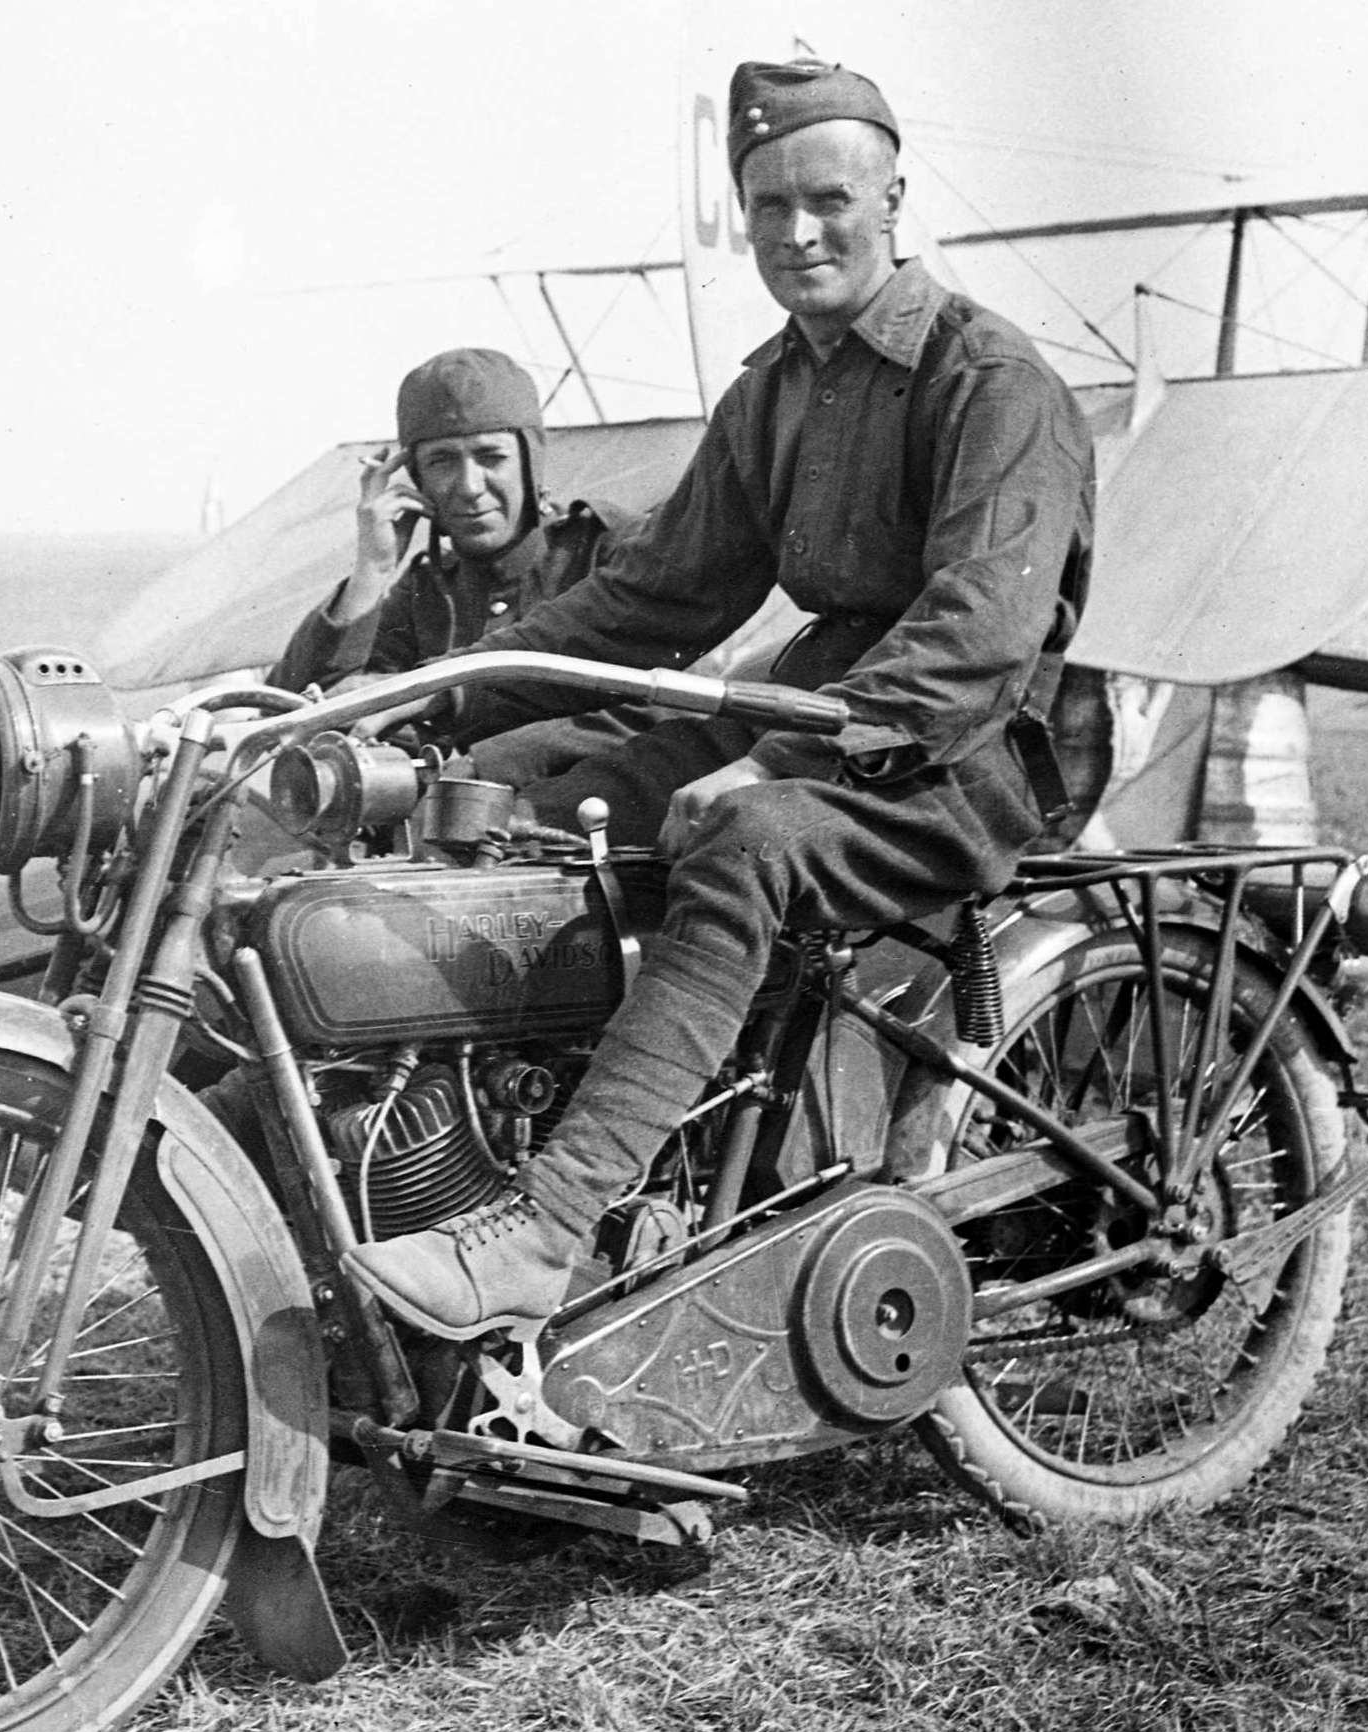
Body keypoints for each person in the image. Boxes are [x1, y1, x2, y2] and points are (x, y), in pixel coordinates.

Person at [345, 58, 1096, 1339]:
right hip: (807, 713)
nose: (797, 233)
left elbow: (977, 631)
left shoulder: (990, 380)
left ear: (894, 197)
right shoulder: (774, 388)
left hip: (964, 755)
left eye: (829, 200)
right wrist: (431, 698)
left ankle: (546, 1226)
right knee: (525, 788)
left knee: (745, 845)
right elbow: (654, 594)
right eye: (766, 207)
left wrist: (765, 770)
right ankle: (473, 1155)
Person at [267, 347, 618, 695]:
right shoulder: (425, 591)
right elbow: (301, 706)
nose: (469, 486)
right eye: (442, 462)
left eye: (491, 457)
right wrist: (372, 568)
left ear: (530, 462)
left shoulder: (606, 553)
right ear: (417, 477)